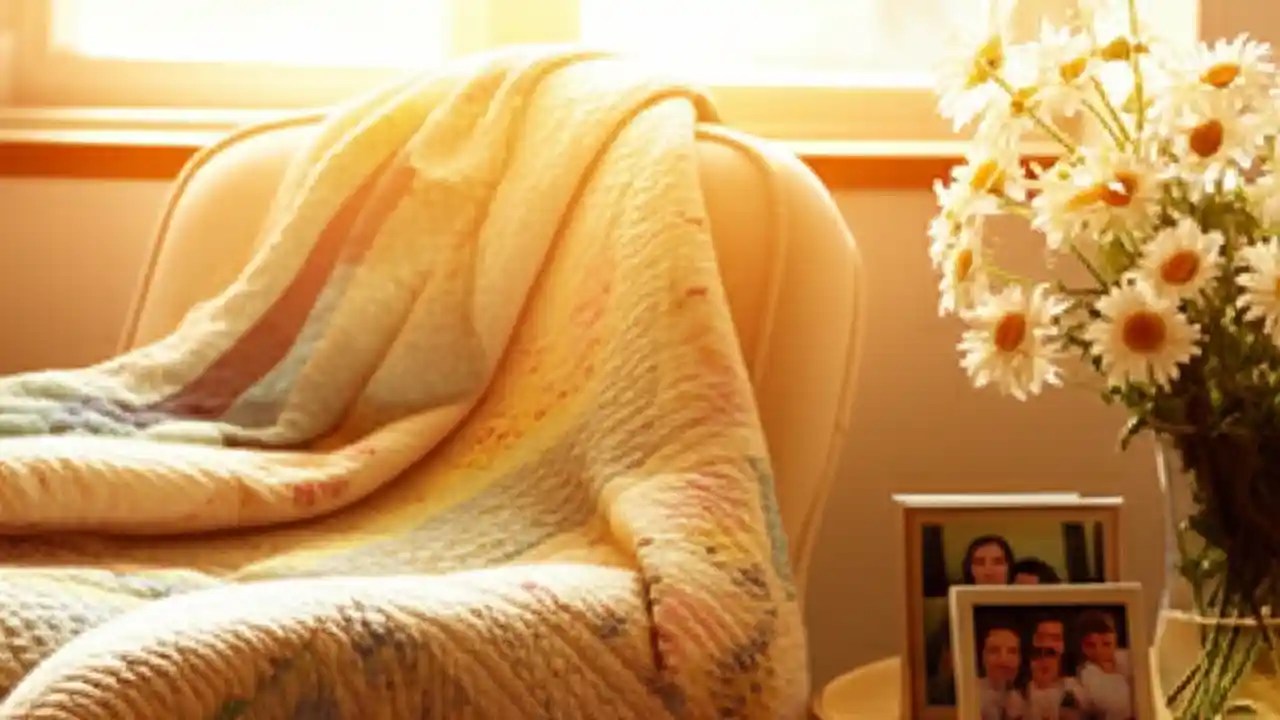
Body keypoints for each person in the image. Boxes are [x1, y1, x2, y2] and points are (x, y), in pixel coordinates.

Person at [1024, 613, 1087, 720]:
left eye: (1055, 638)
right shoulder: (1019, 691)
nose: (1048, 644)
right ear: (1034, 640)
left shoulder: (1077, 688)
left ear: (1063, 645)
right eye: (1043, 637)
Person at [1074, 610, 1132, 720]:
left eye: (1106, 644)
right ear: (1082, 647)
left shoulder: (1130, 657)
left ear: (1115, 639)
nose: (1099, 651)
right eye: (1091, 646)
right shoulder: (1086, 678)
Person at [975, 616, 1026, 720]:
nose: (1004, 660)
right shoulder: (969, 695)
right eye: (994, 651)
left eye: (1012, 652)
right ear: (983, 657)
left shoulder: (1021, 701)